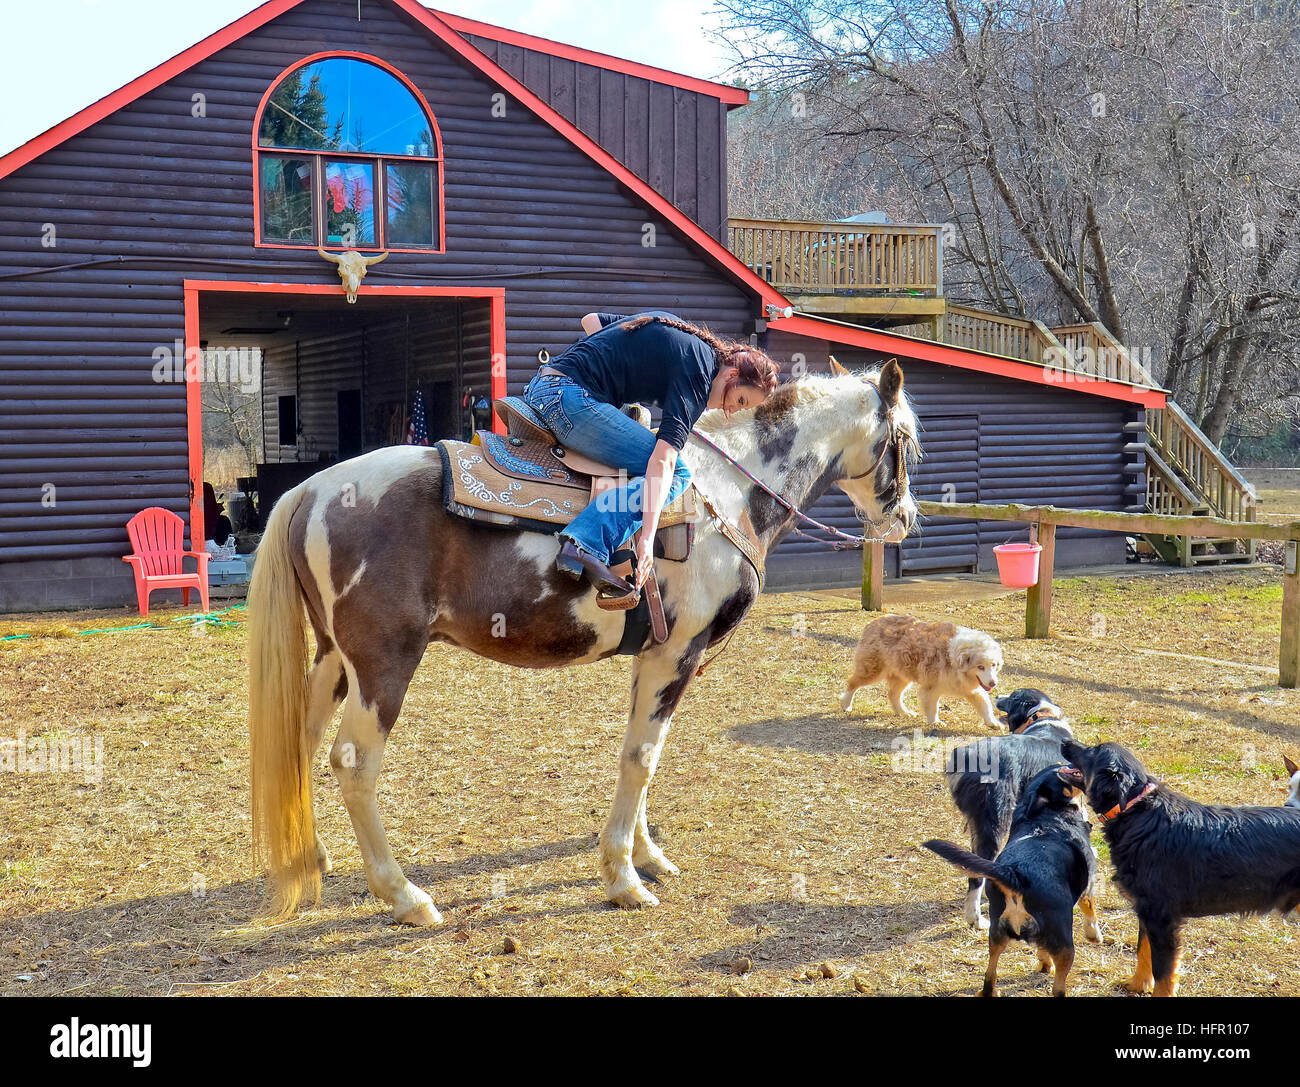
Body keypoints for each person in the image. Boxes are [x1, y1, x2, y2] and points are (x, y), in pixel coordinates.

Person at [522, 310, 780, 604]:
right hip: (569, 400)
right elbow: (663, 461)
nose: (730, 410)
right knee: (680, 474)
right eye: (740, 400)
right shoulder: (698, 373)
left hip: (543, 386)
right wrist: (646, 539)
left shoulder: (679, 331)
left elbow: (591, 320)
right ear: (732, 374)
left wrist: (608, 377)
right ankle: (586, 543)